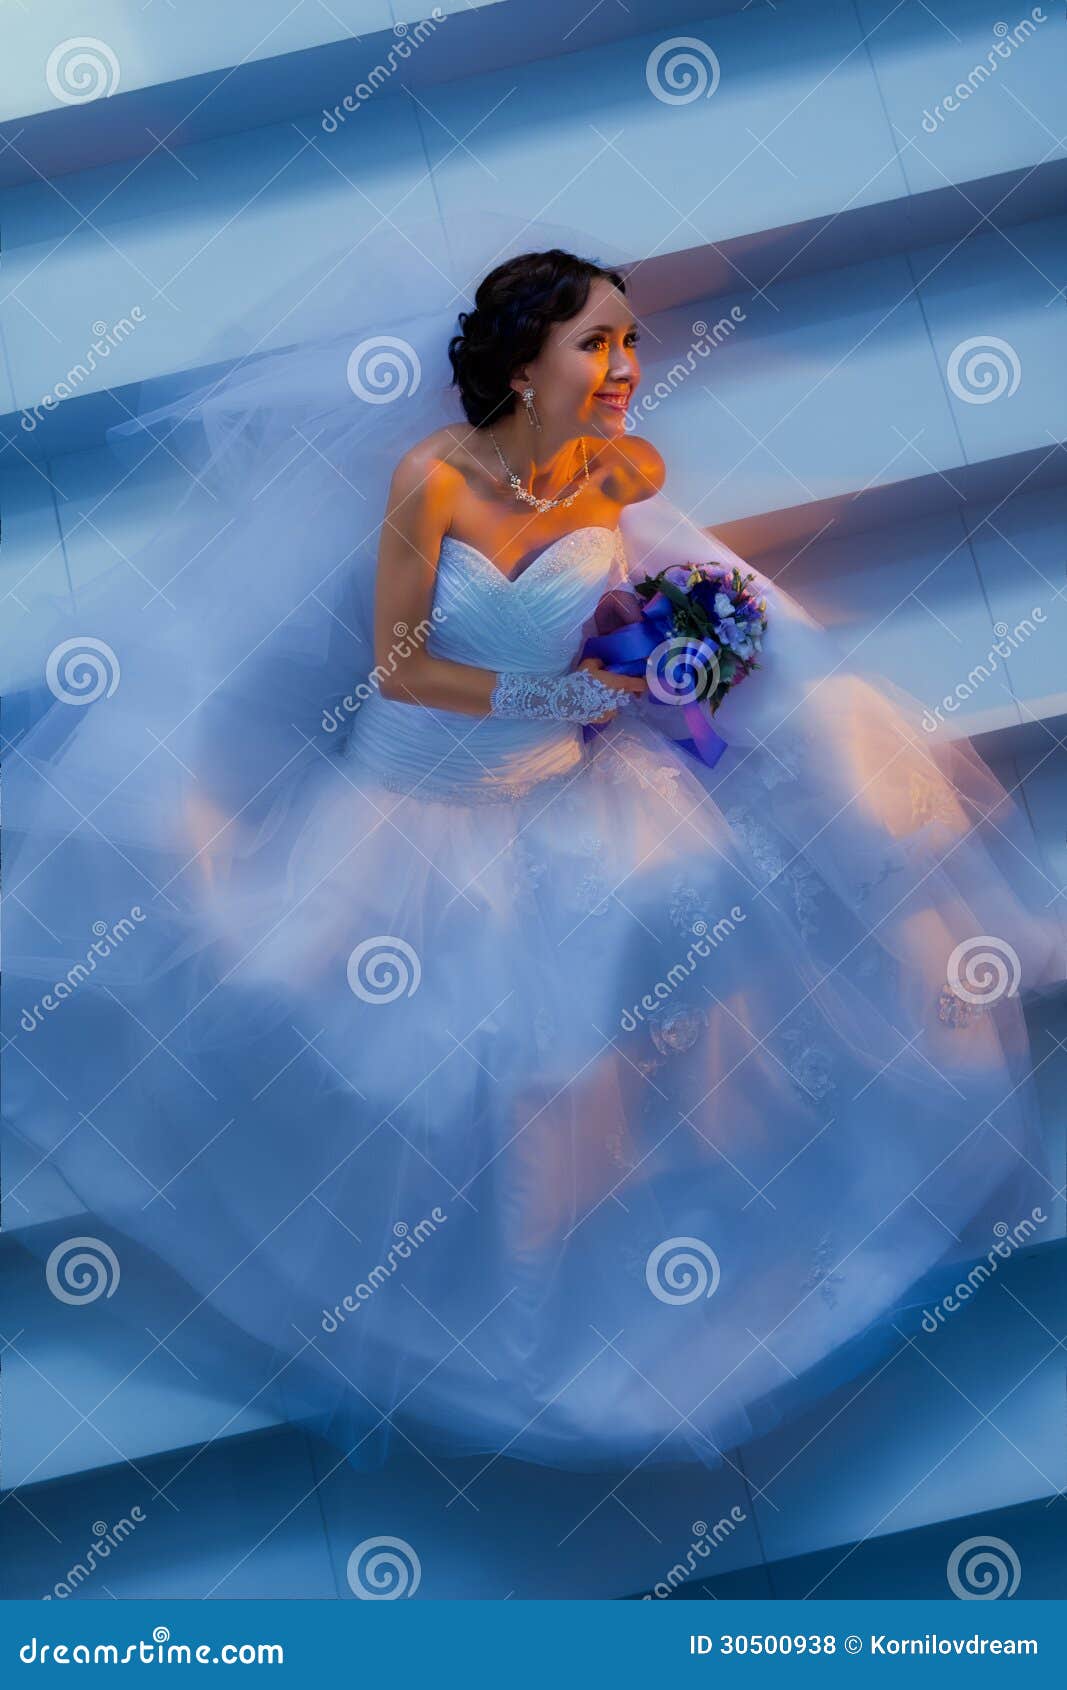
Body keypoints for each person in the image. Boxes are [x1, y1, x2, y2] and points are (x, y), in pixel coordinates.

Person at [5, 216, 1060, 1478]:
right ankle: (550, 1251)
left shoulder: (605, 474)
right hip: (420, 800)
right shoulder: (428, 488)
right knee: (465, 1027)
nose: (618, 368)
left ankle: (701, 1219)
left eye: (619, 342)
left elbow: (695, 606)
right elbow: (399, 661)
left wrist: (670, 665)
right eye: (593, 344)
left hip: (582, 782)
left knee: (680, 932)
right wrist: (547, 693)